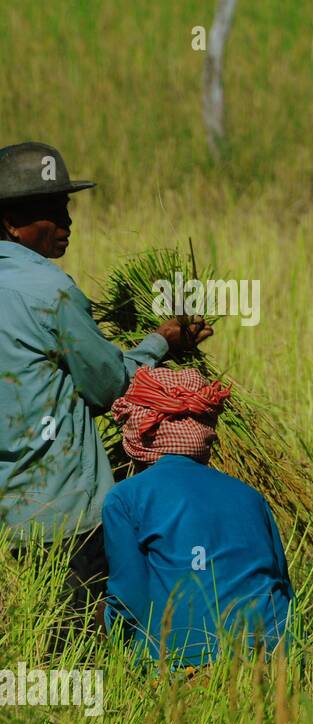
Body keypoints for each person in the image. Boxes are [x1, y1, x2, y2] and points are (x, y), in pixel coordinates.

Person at [0, 141, 211, 618]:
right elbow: (111, 385)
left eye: (66, 207)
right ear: (12, 223)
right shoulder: (51, 292)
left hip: (10, 519)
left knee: (31, 633)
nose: (66, 222)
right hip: (65, 514)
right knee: (83, 635)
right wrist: (161, 342)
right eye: (51, 211)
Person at [100, 367, 293, 666]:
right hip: (274, 659)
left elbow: (129, 599)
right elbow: (282, 583)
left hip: (187, 664)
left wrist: (108, 636)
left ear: (141, 430)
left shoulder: (125, 498)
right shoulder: (251, 497)